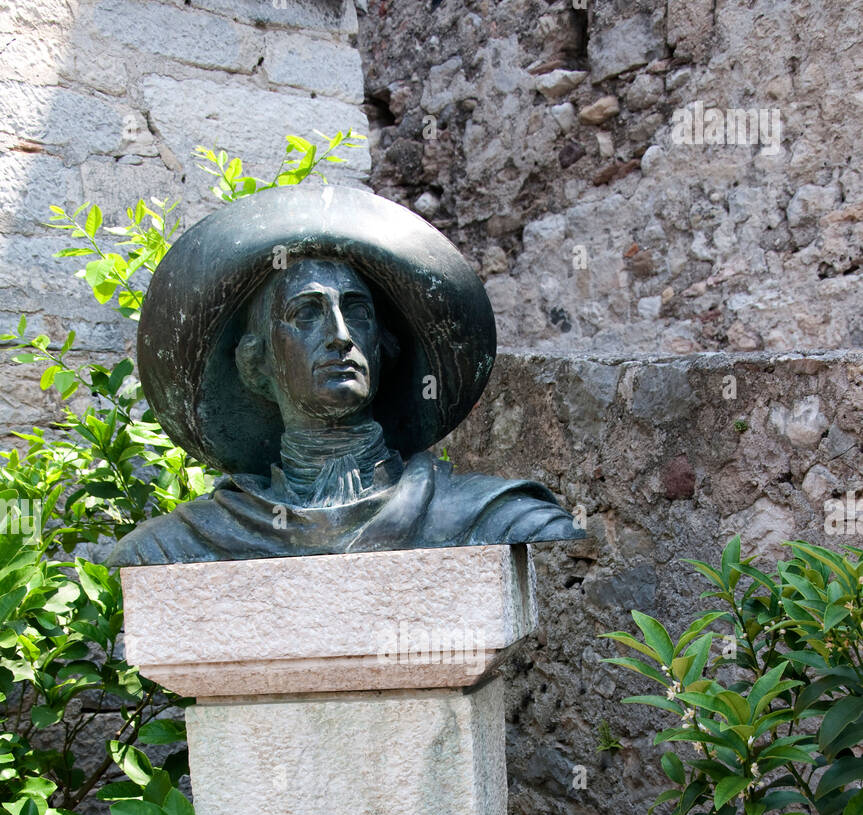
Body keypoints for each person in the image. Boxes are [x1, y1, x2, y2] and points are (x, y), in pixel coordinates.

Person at [108, 184, 580, 566]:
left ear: (385, 348)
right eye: (306, 313)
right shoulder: (179, 545)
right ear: (256, 364)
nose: (339, 335)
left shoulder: (489, 518)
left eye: (356, 312)